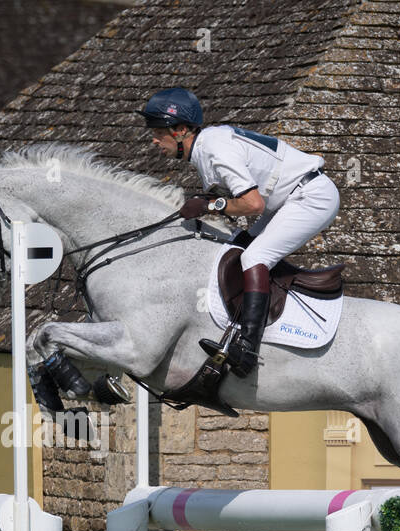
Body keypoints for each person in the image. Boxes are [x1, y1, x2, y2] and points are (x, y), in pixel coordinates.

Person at [140, 87, 340, 377]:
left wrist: (208, 206)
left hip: (311, 196)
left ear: (181, 130)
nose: (154, 139)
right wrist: (209, 204)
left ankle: (247, 349)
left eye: (159, 131)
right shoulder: (207, 146)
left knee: (254, 257)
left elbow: (252, 204)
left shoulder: (213, 148)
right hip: (288, 199)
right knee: (237, 247)